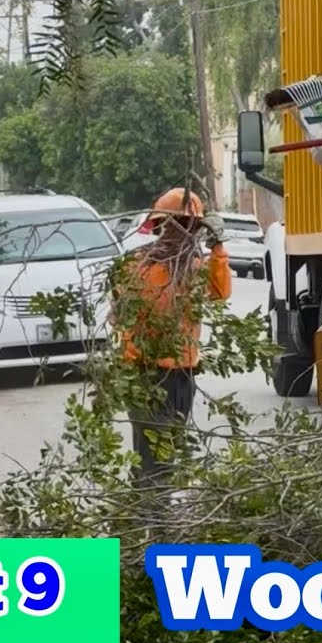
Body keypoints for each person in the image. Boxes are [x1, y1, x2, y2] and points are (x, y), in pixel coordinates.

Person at [112, 187, 232, 488]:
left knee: (167, 454)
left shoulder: (194, 268)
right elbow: (119, 314)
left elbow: (220, 292)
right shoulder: (135, 267)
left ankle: (147, 515)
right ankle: (153, 519)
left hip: (182, 375)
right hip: (143, 375)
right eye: (178, 226)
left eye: (191, 227)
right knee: (155, 456)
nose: (184, 234)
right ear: (161, 227)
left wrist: (218, 247)